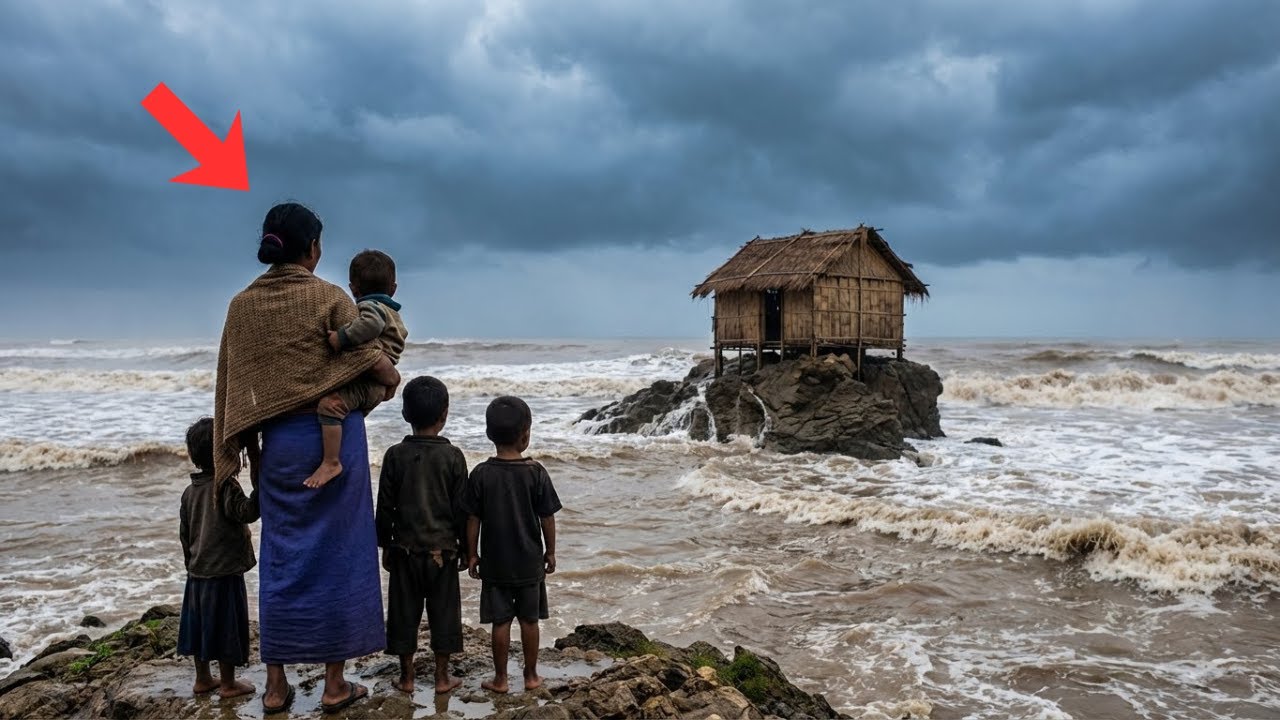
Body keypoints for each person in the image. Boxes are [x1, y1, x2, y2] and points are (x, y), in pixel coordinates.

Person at [213, 202, 400, 715]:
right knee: (339, 557)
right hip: (334, 443)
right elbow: (376, 364)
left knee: (283, 559)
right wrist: (387, 377)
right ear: (313, 248)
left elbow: (236, 386)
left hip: (278, 452)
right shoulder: (329, 298)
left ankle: (275, 688)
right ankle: (335, 685)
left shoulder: (241, 306)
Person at [462, 396, 562, 694]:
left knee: (501, 622)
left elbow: (472, 519)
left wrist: (472, 555)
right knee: (530, 621)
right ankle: (531, 676)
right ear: (526, 434)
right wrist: (551, 551)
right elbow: (547, 518)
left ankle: (501, 679)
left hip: (495, 562)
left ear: (489, 434)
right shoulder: (536, 472)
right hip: (529, 562)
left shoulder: (481, 473)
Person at [375, 376, 468, 694]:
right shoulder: (454, 456)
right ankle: (442, 678)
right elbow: (461, 510)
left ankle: (407, 677)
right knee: (444, 614)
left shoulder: (394, 455)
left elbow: (384, 506)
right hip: (443, 551)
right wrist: (467, 549)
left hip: (404, 550)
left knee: (403, 614)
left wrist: (384, 544)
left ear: (405, 414)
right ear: (445, 414)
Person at [305, 249, 408, 489]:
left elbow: (370, 325)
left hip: (370, 383)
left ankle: (331, 462)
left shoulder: (371, 307)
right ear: (393, 288)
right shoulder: (392, 311)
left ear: (352, 288)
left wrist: (341, 337)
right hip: (376, 384)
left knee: (329, 406)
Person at [177, 417, 258, 699]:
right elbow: (246, 513)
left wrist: (191, 564)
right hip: (224, 571)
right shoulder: (225, 487)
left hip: (198, 573)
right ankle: (227, 684)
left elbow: (184, 535)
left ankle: (202, 679)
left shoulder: (190, 492)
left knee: (199, 628)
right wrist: (262, 490)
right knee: (227, 627)